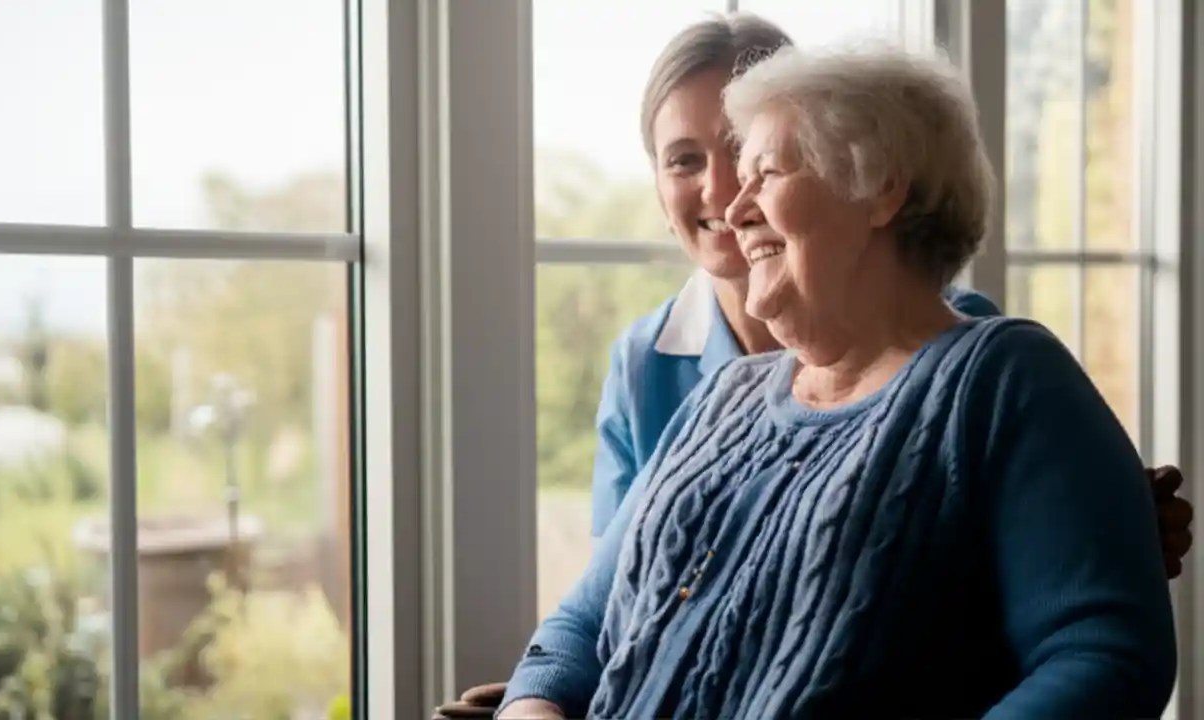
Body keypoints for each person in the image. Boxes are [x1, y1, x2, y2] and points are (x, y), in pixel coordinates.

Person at [498, 44, 1176, 719]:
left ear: (880, 186)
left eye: (764, 173)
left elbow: (1104, 654)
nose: (735, 211)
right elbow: (575, 634)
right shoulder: (723, 399)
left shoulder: (998, 378)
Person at [588, 12, 1192, 573]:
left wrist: (1099, 520)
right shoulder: (643, 366)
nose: (723, 191)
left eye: (749, 155)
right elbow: (618, 594)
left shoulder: (960, 338)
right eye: (683, 161)